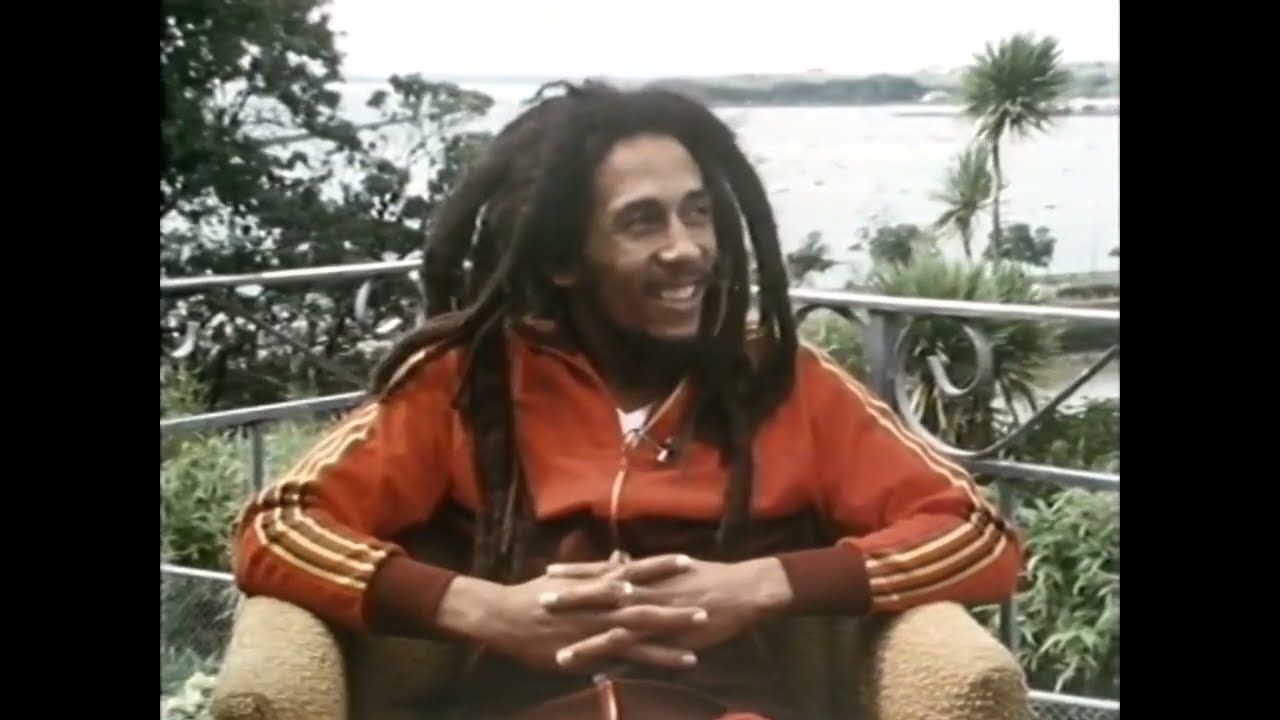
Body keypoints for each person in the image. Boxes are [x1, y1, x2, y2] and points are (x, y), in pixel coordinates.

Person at [230, 81, 1023, 720]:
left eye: (698, 213)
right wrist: (482, 610)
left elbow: (975, 535)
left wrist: (758, 587)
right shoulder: (466, 384)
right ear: (564, 260)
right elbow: (278, 526)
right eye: (643, 222)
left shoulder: (786, 381)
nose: (689, 249)